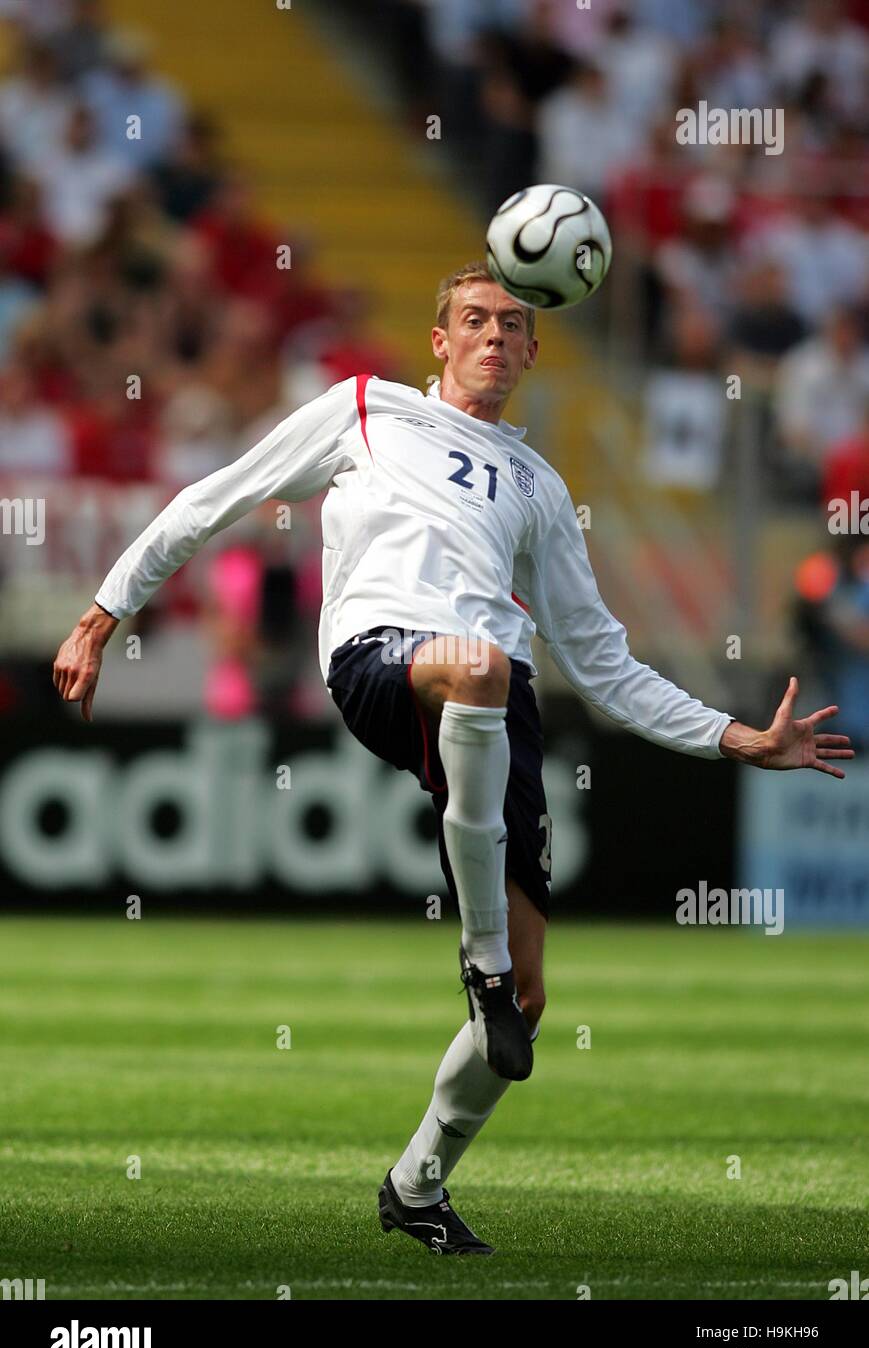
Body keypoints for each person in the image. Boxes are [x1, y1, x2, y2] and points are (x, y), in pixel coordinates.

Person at [52, 261, 854, 1254]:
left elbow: (602, 664)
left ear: (529, 349)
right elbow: (215, 500)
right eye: (471, 319)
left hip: (495, 701)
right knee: (474, 670)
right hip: (379, 658)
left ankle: (416, 1183)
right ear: (438, 340)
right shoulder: (363, 410)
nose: (489, 336)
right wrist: (102, 613)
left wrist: (735, 737)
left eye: (510, 325)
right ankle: (472, 959)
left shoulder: (537, 486)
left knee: (527, 998)